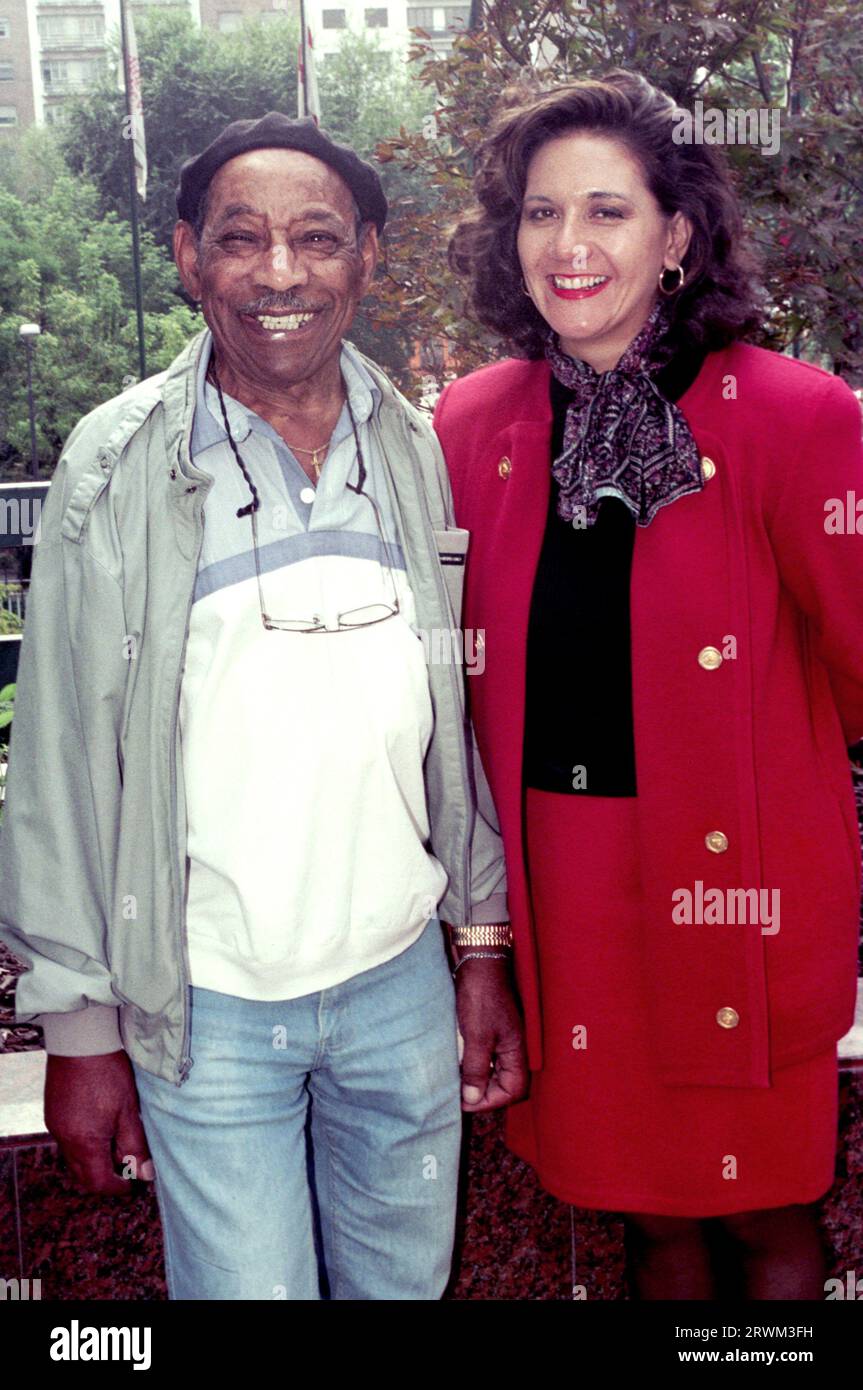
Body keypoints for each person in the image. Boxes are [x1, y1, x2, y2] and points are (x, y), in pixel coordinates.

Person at [0, 113, 527, 1301]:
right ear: (188, 256)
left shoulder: (416, 446)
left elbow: (456, 718)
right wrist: (79, 1032)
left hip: (398, 982)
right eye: (241, 239)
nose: (279, 273)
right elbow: (59, 766)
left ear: (368, 256)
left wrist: (478, 947)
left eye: (315, 239)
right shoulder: (113, 463)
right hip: (207, 1001)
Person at [433, 70, 863, 1300]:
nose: (566, 245)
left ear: (675, 235)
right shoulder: (472, 423)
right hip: (564, 882)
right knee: (643, 1216)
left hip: (739, 884)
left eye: (606, 212)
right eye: (537, 211)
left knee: (765, 1211)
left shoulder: (792, 416)